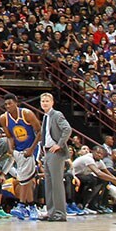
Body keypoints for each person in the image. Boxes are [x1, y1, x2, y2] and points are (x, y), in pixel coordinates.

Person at [2, 96, 42, 215]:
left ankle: (23, 205)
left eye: (10, 103)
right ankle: (30, 206)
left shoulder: (27, 114)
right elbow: (9, 136)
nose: (8, 106)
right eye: (6, 105)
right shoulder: (4, 118)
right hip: (18, 149)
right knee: (26, 179)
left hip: (32, 147)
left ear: (16, 103)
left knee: (25, 178)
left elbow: (39, 131)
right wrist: (10, 149)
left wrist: (32, 149)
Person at [38, 92, 71, 222]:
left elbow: (67, 129)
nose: (44, 103)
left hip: (55, 153)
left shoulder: (57, 115)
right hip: (47, 152)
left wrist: (59, 144)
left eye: (47, 101)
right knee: (49, 184)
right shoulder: (46, 117)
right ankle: (51, 212)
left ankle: (60, 213)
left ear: (52, 103)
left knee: (56, 184)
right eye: (42, 101)